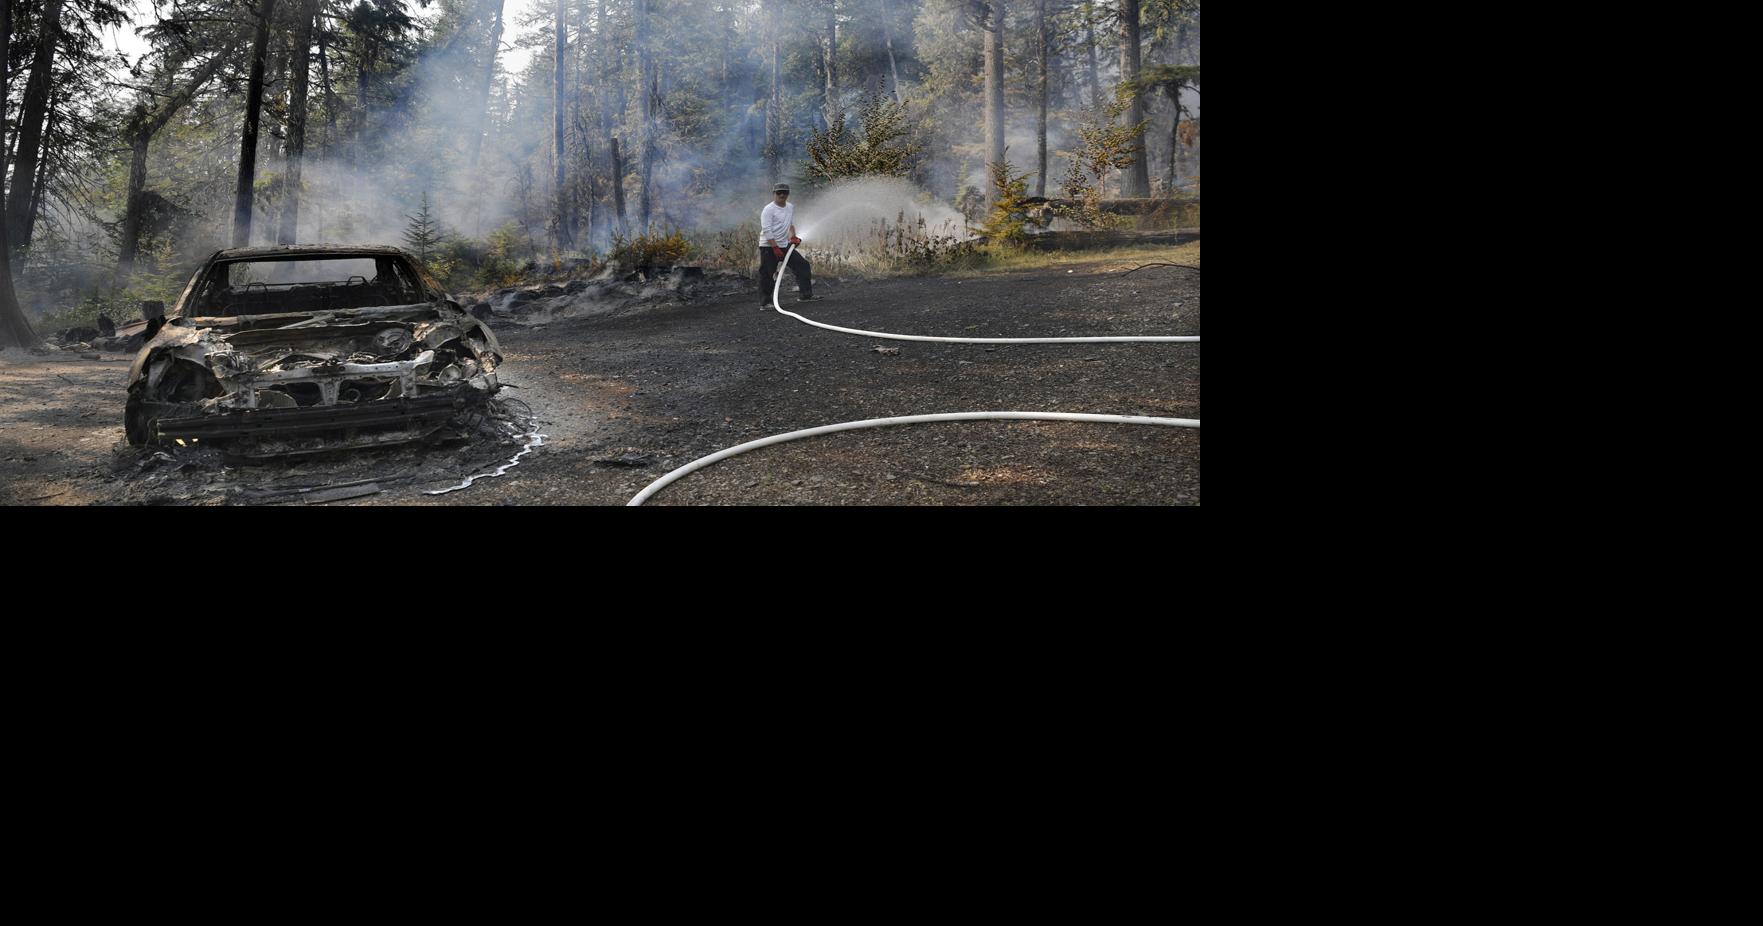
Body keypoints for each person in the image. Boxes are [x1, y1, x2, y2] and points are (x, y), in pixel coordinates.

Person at [758, 183, 819, 308]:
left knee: (802, 265)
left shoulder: (790, 207)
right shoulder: (768, 209)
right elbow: (767, 230)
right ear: (774, 194)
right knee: (767, 273)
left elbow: (790, 224)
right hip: (768, 246)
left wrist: (793, 237)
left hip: (784, 245)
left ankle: (806, 295)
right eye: (779, 192)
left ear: (788, 194)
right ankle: (765, 303)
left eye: (785, 192)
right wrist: (775, 248)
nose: (782, 195)